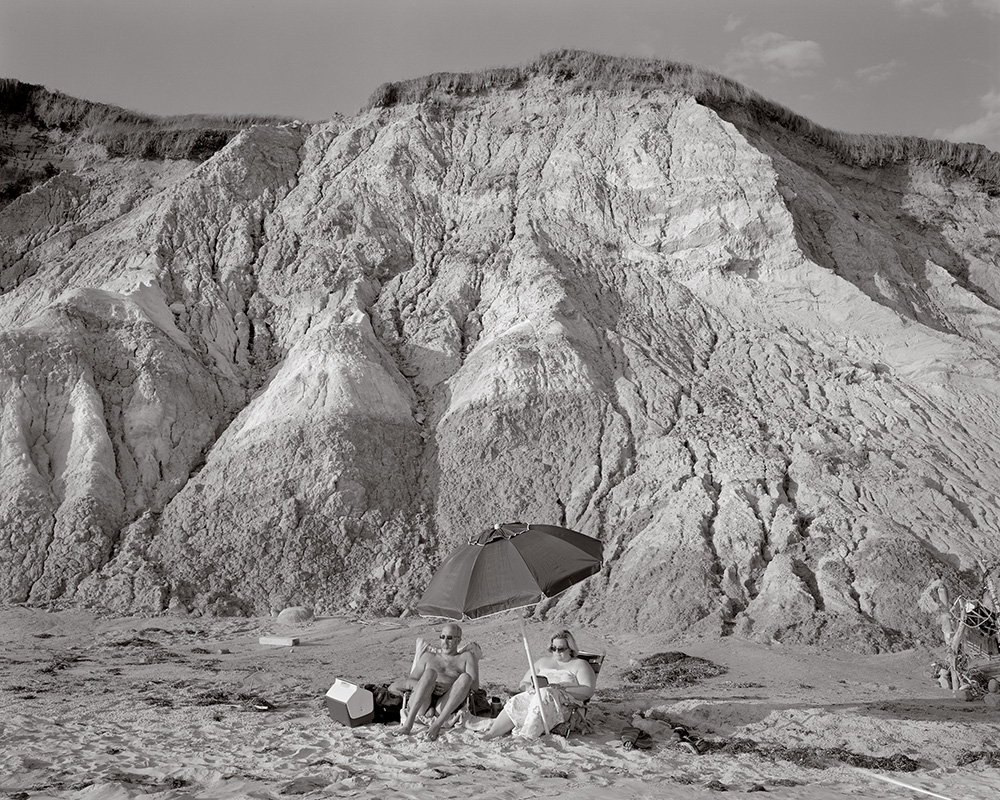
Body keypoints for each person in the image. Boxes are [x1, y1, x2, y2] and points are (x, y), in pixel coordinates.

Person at [481, 629, 596, 740]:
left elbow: (588, 691)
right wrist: (531, 687)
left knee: (545, 692)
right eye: (553, 648)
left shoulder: (580, 665)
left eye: (561, 649)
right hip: (537, 699)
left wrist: (561, 689)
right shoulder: (542, 662)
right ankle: (491, 734)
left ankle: (526, 736)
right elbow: (523, 684)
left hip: (564, 706)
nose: (556, 652)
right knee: (518, 699)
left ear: (570, 648)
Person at [388, 623, 479, 741]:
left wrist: (450, 687)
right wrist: (430, 686)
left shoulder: (466, 657)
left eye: (450, 638)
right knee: (430, 673)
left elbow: (474, 686)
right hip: (422, 702)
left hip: (445, 704)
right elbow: (411, 679)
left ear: (458, 640)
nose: (445, 641)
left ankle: (436, 725)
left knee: (466, 677)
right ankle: (408, 724)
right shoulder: (428, 657)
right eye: (442, 637)